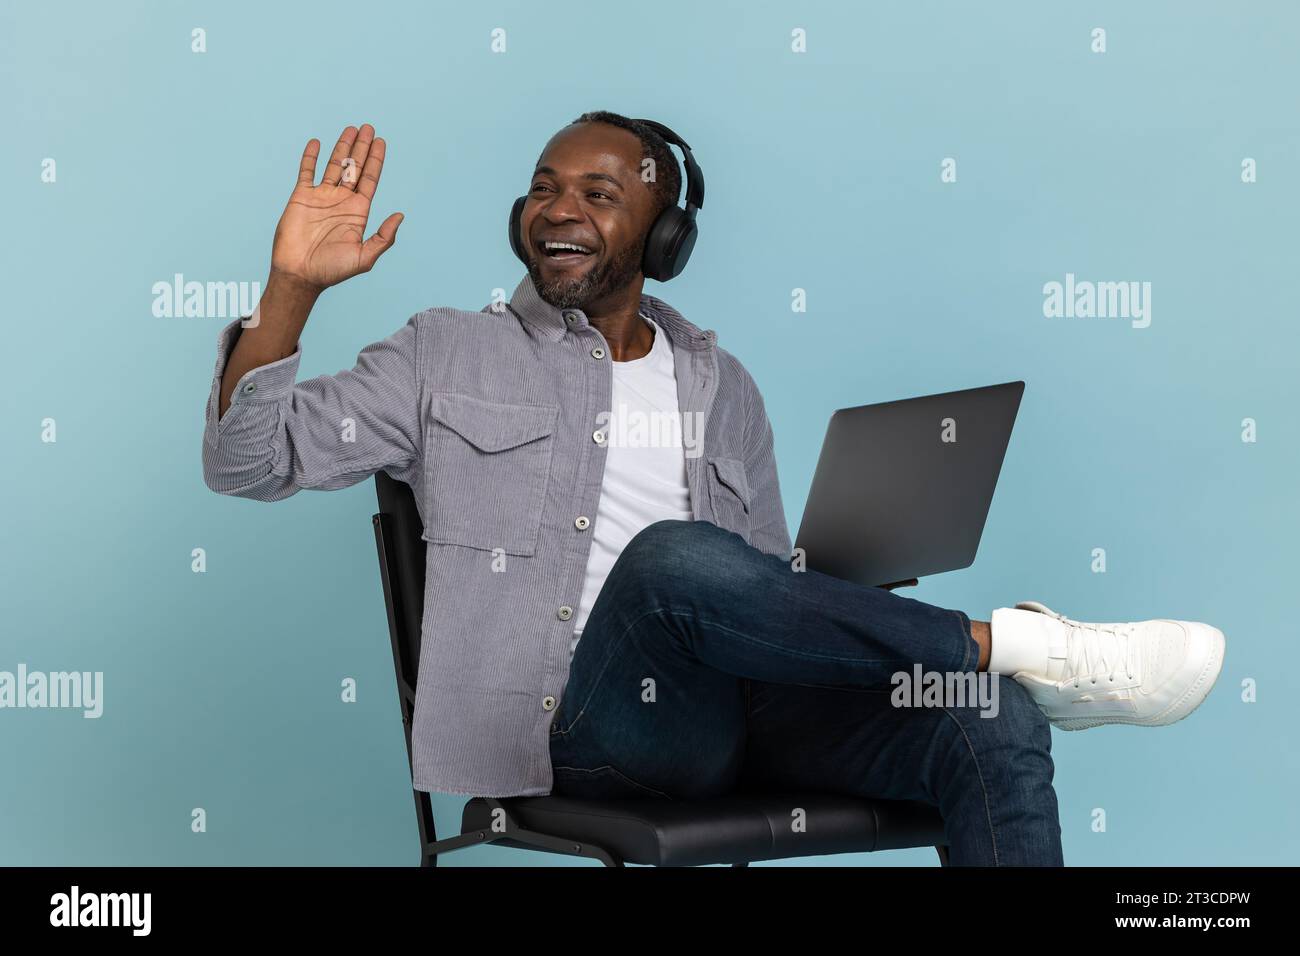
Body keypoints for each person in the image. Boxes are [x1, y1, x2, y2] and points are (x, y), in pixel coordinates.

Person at [201, 112, 1226, 865]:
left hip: (734, 717)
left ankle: (997, 663)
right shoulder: (444, 351)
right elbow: (249, 462)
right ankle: (1026, 639)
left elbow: (758, 586)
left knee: (987, 713)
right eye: (545, 186)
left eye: (599, 193)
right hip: (576, 736)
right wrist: (292, 286)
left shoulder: (719, 382)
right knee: (670, 561)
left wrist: (841, 595)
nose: (559, 208)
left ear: (663, 237)